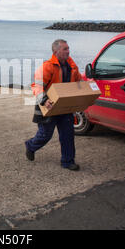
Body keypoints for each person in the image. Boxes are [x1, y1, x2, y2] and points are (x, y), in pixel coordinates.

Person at [25, 39, 82, 171]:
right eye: (65, 49)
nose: (68, 51)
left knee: (68, 135)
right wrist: (44, 100)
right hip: (49, 106)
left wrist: (87, 90)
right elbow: (37, 86)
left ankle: (68, 161)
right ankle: (30, 146)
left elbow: (79, 81)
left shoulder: (72, 66)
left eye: (68, 48)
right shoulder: (47, 66)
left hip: (65, 106)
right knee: (45, 135)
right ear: (56, 52)